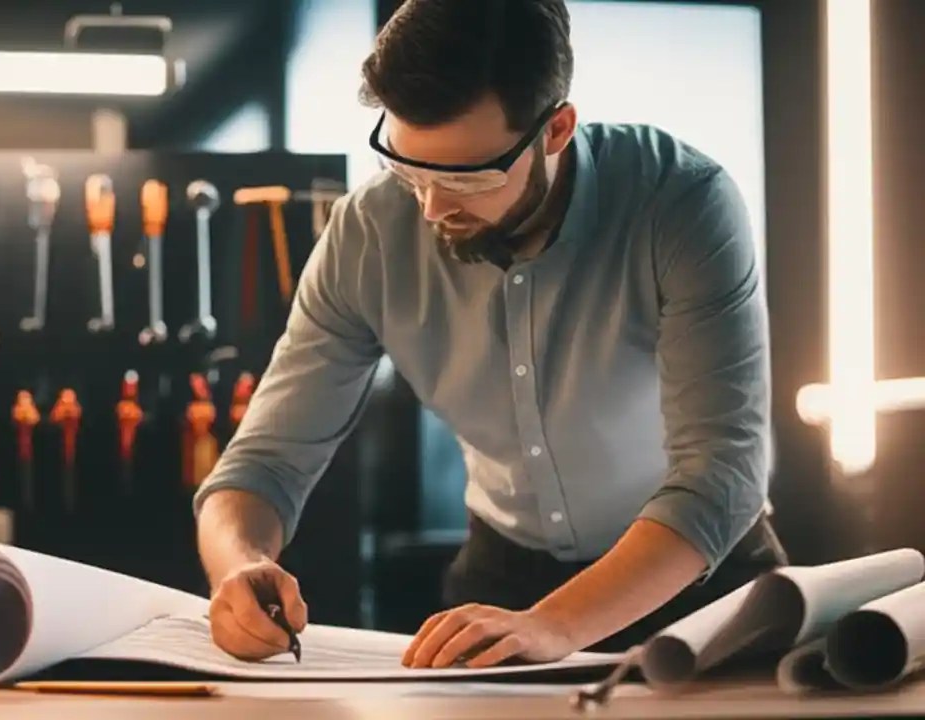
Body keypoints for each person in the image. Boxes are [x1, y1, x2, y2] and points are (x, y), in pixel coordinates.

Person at [192, 0, 788, 670]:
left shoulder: (682, 202)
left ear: (557, 129)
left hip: (697, 572)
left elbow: (722, 476)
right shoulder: (367, 234)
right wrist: (236, 568)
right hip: (504, 577)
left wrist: (558, 625)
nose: (431, 206)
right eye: (408, 168)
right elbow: (263, 464)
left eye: (468, 176)